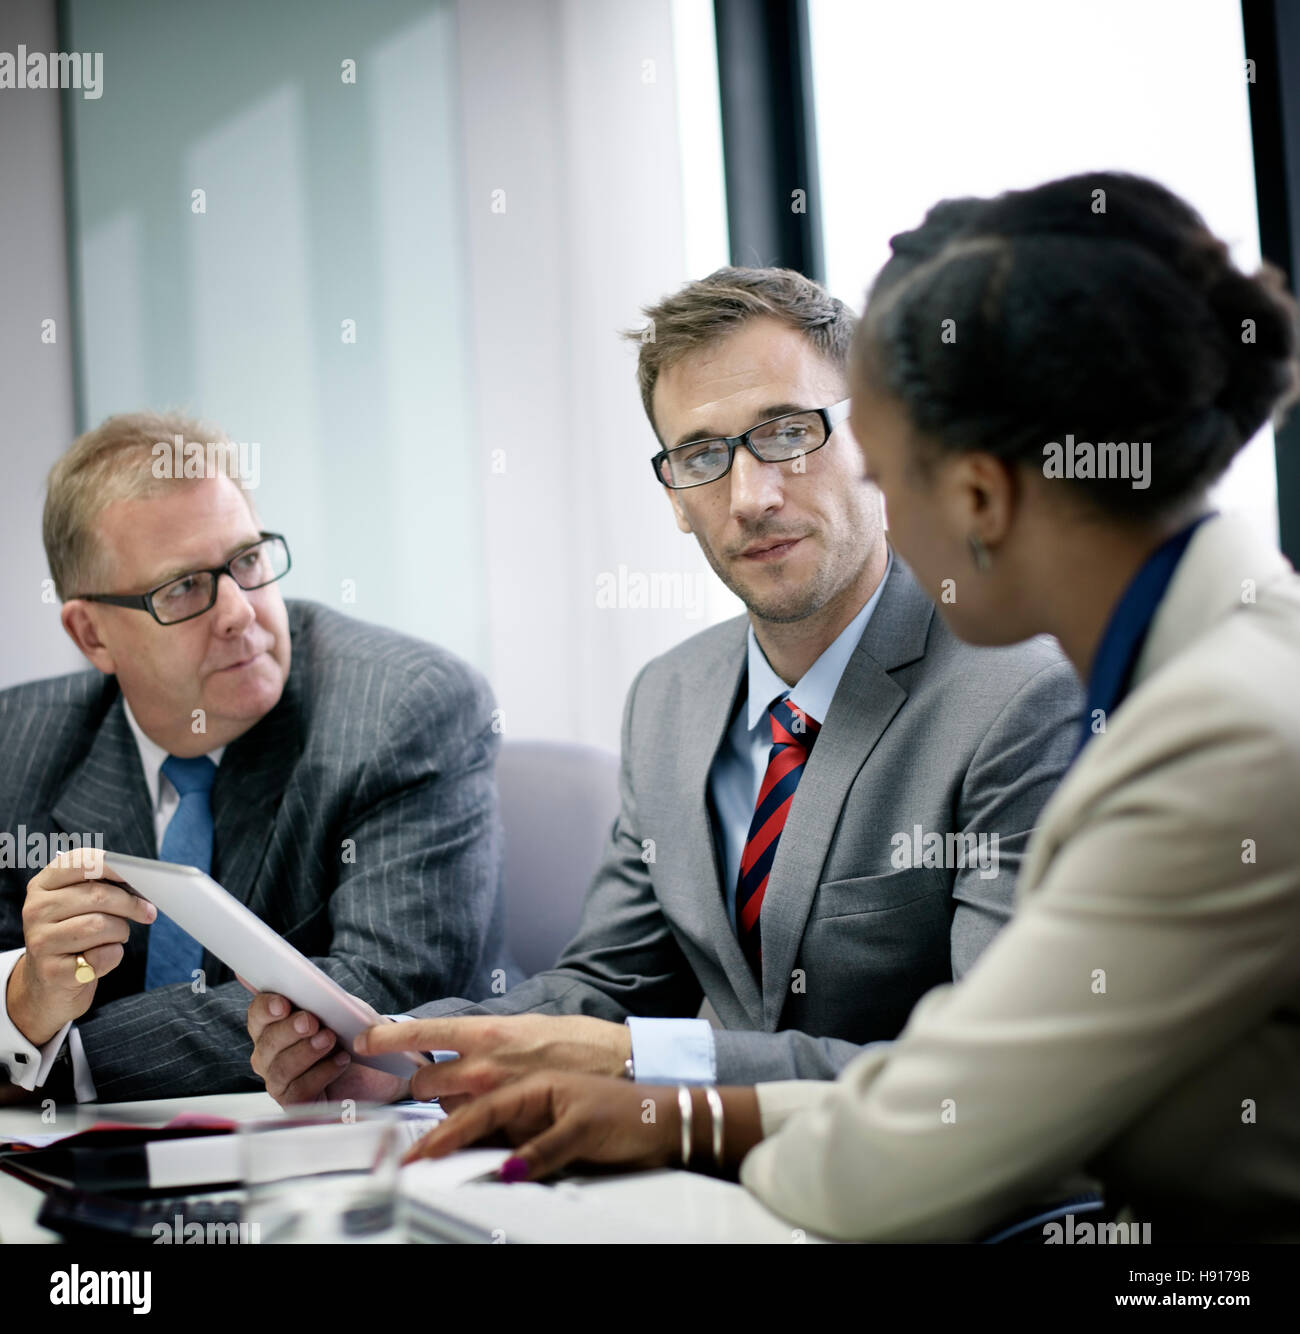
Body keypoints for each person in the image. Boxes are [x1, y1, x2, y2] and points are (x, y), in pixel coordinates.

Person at [397, 172, 1300, 1244]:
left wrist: (681, 1114)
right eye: (703, 457)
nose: (757, 495)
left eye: (862, 459)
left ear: (974, 498)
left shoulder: (1214, 735)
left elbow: (922, 1148)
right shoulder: (1224, 669)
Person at [248, 267, 1081, 1108]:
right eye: (702, 455)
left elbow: (991, 1083)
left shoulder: (1020, 695)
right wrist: (401, 1058)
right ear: (676, 498)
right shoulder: (670, 698)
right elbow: (610, 990)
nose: (751, 497)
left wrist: (648, 1065)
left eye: (789, 433)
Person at [0, 412, 510, 1103]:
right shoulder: (18, 743)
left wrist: (49, 1047)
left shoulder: (402, 709)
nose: (240, 611)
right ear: (92, 634)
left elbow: (379, 999)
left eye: (246, 560)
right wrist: (26, 996)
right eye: (182, 587)